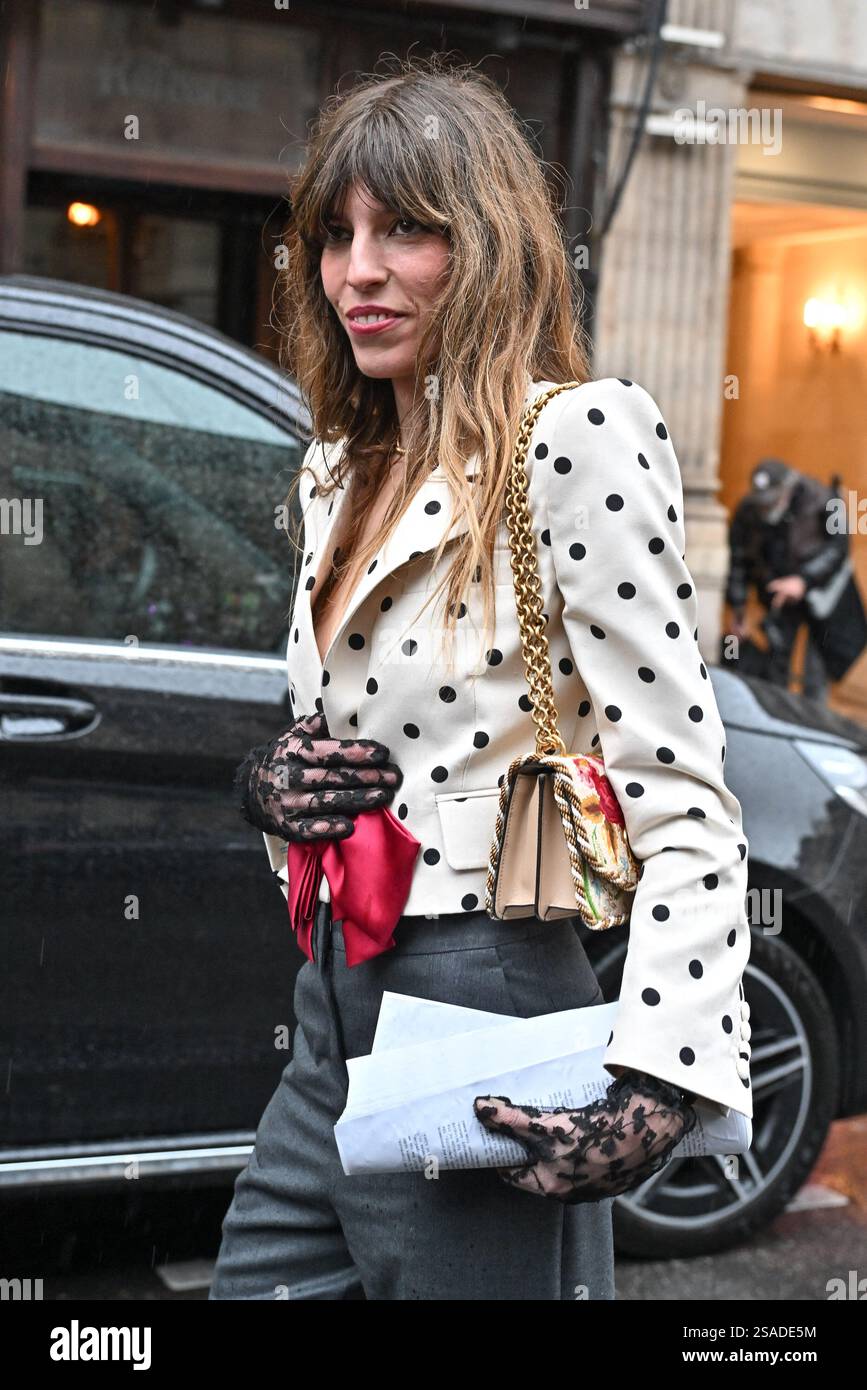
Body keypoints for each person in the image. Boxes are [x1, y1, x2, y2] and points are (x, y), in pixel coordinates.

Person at [208, 54, 752, 1302]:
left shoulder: (577, 435)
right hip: (335, 987)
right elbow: (338, 737)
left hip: (484, 998)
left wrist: (660, 1081)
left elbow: (684, 791)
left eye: (407, 230)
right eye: (336, 234)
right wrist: (276, 791)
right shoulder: (337, 467)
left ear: (490, 243)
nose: (359, 271)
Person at [726, 458, 850, 702]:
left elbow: (839, 549)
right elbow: (738, 560)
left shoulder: (824, 499)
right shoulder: (748, 510)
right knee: (776, 663)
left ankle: (814, 725)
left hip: (820, 595)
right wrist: (738, 609)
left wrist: (803, 581)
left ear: (789, 487)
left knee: (816, 669)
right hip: (778, 596)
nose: (766, 507)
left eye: (772, 499)